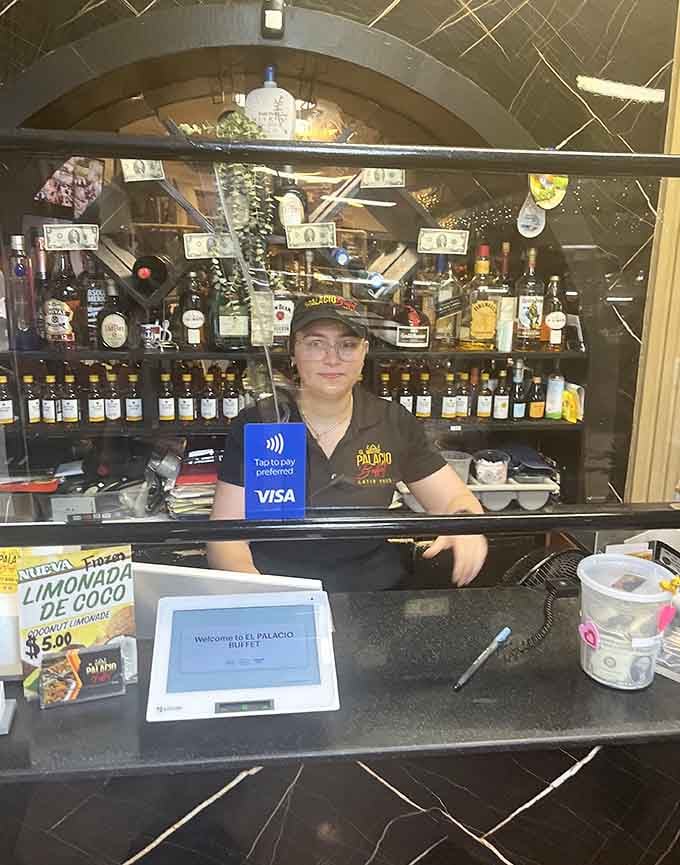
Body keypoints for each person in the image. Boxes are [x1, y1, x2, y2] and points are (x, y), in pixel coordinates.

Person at [209, 294, 487, 591]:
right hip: (277, 585)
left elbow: (454, 500)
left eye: (347, 345)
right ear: (293, 352)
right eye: (316, 344)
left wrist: (466, 528)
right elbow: (225, 537)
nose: (332, 358)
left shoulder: (392, 420)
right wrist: (263, 593)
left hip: (374, 593)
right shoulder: (261, 423)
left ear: (364, 352)